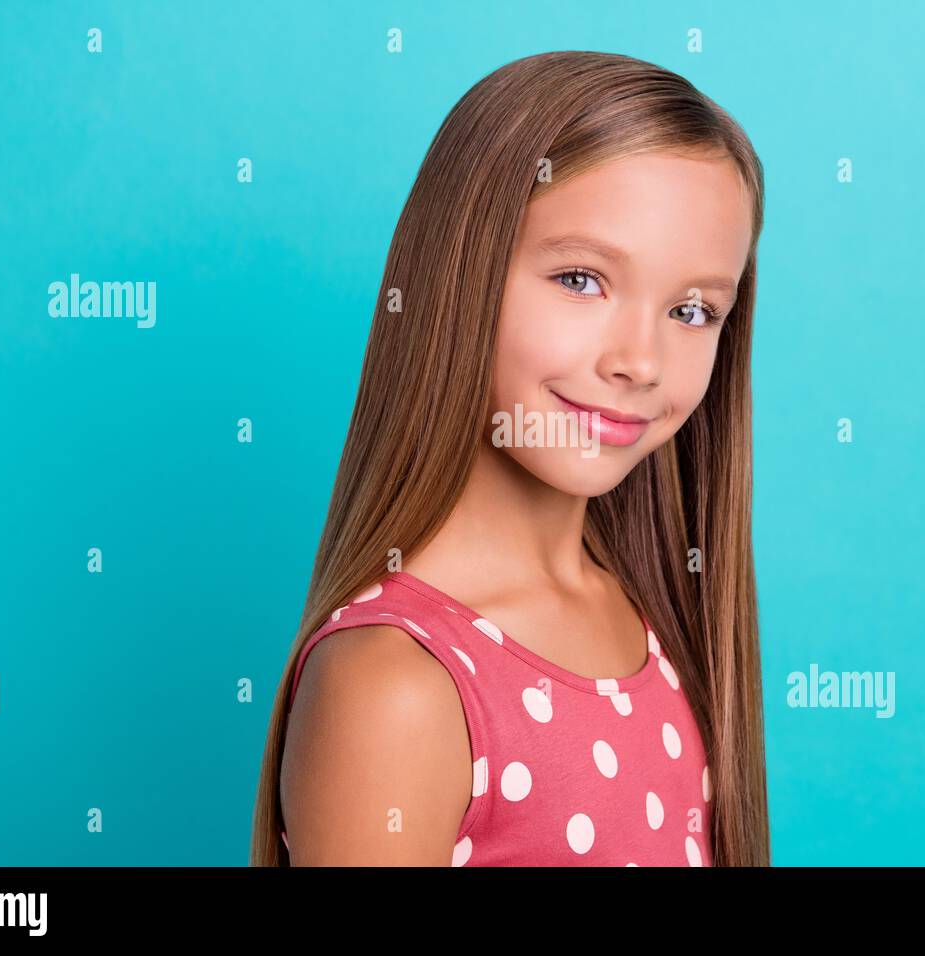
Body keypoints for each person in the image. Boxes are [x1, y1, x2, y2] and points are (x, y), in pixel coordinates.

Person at [251, 50, 769, 866]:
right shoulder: (392, 687)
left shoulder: (658, 613)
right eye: (581, 279)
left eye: (692, 309)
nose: (640, 359)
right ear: (459, 273)